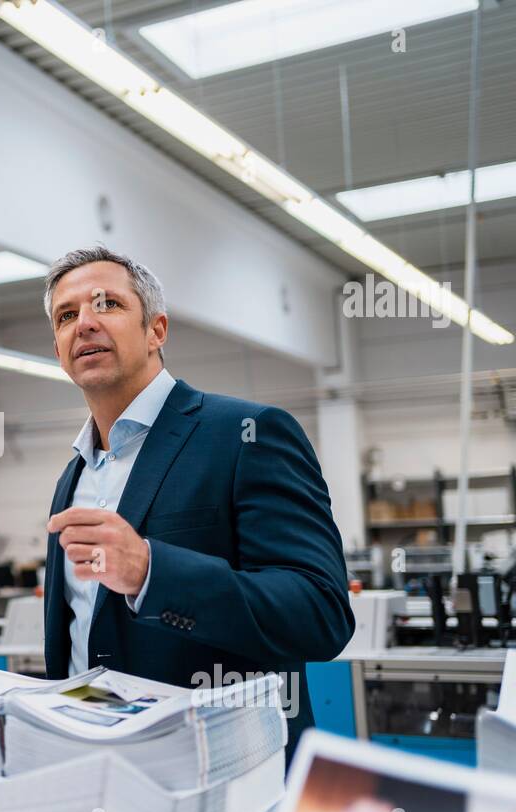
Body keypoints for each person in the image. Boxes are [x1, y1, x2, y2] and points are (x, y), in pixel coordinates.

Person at [40, 246, 353, 757]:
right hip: (101, 767)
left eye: (108, 305)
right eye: (67, 315)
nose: (85, 324)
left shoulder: (247, 435)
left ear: (156, 330)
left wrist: (152, 573)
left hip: (229, 774)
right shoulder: (72, 475)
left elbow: (320, 613)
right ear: (58, 349)